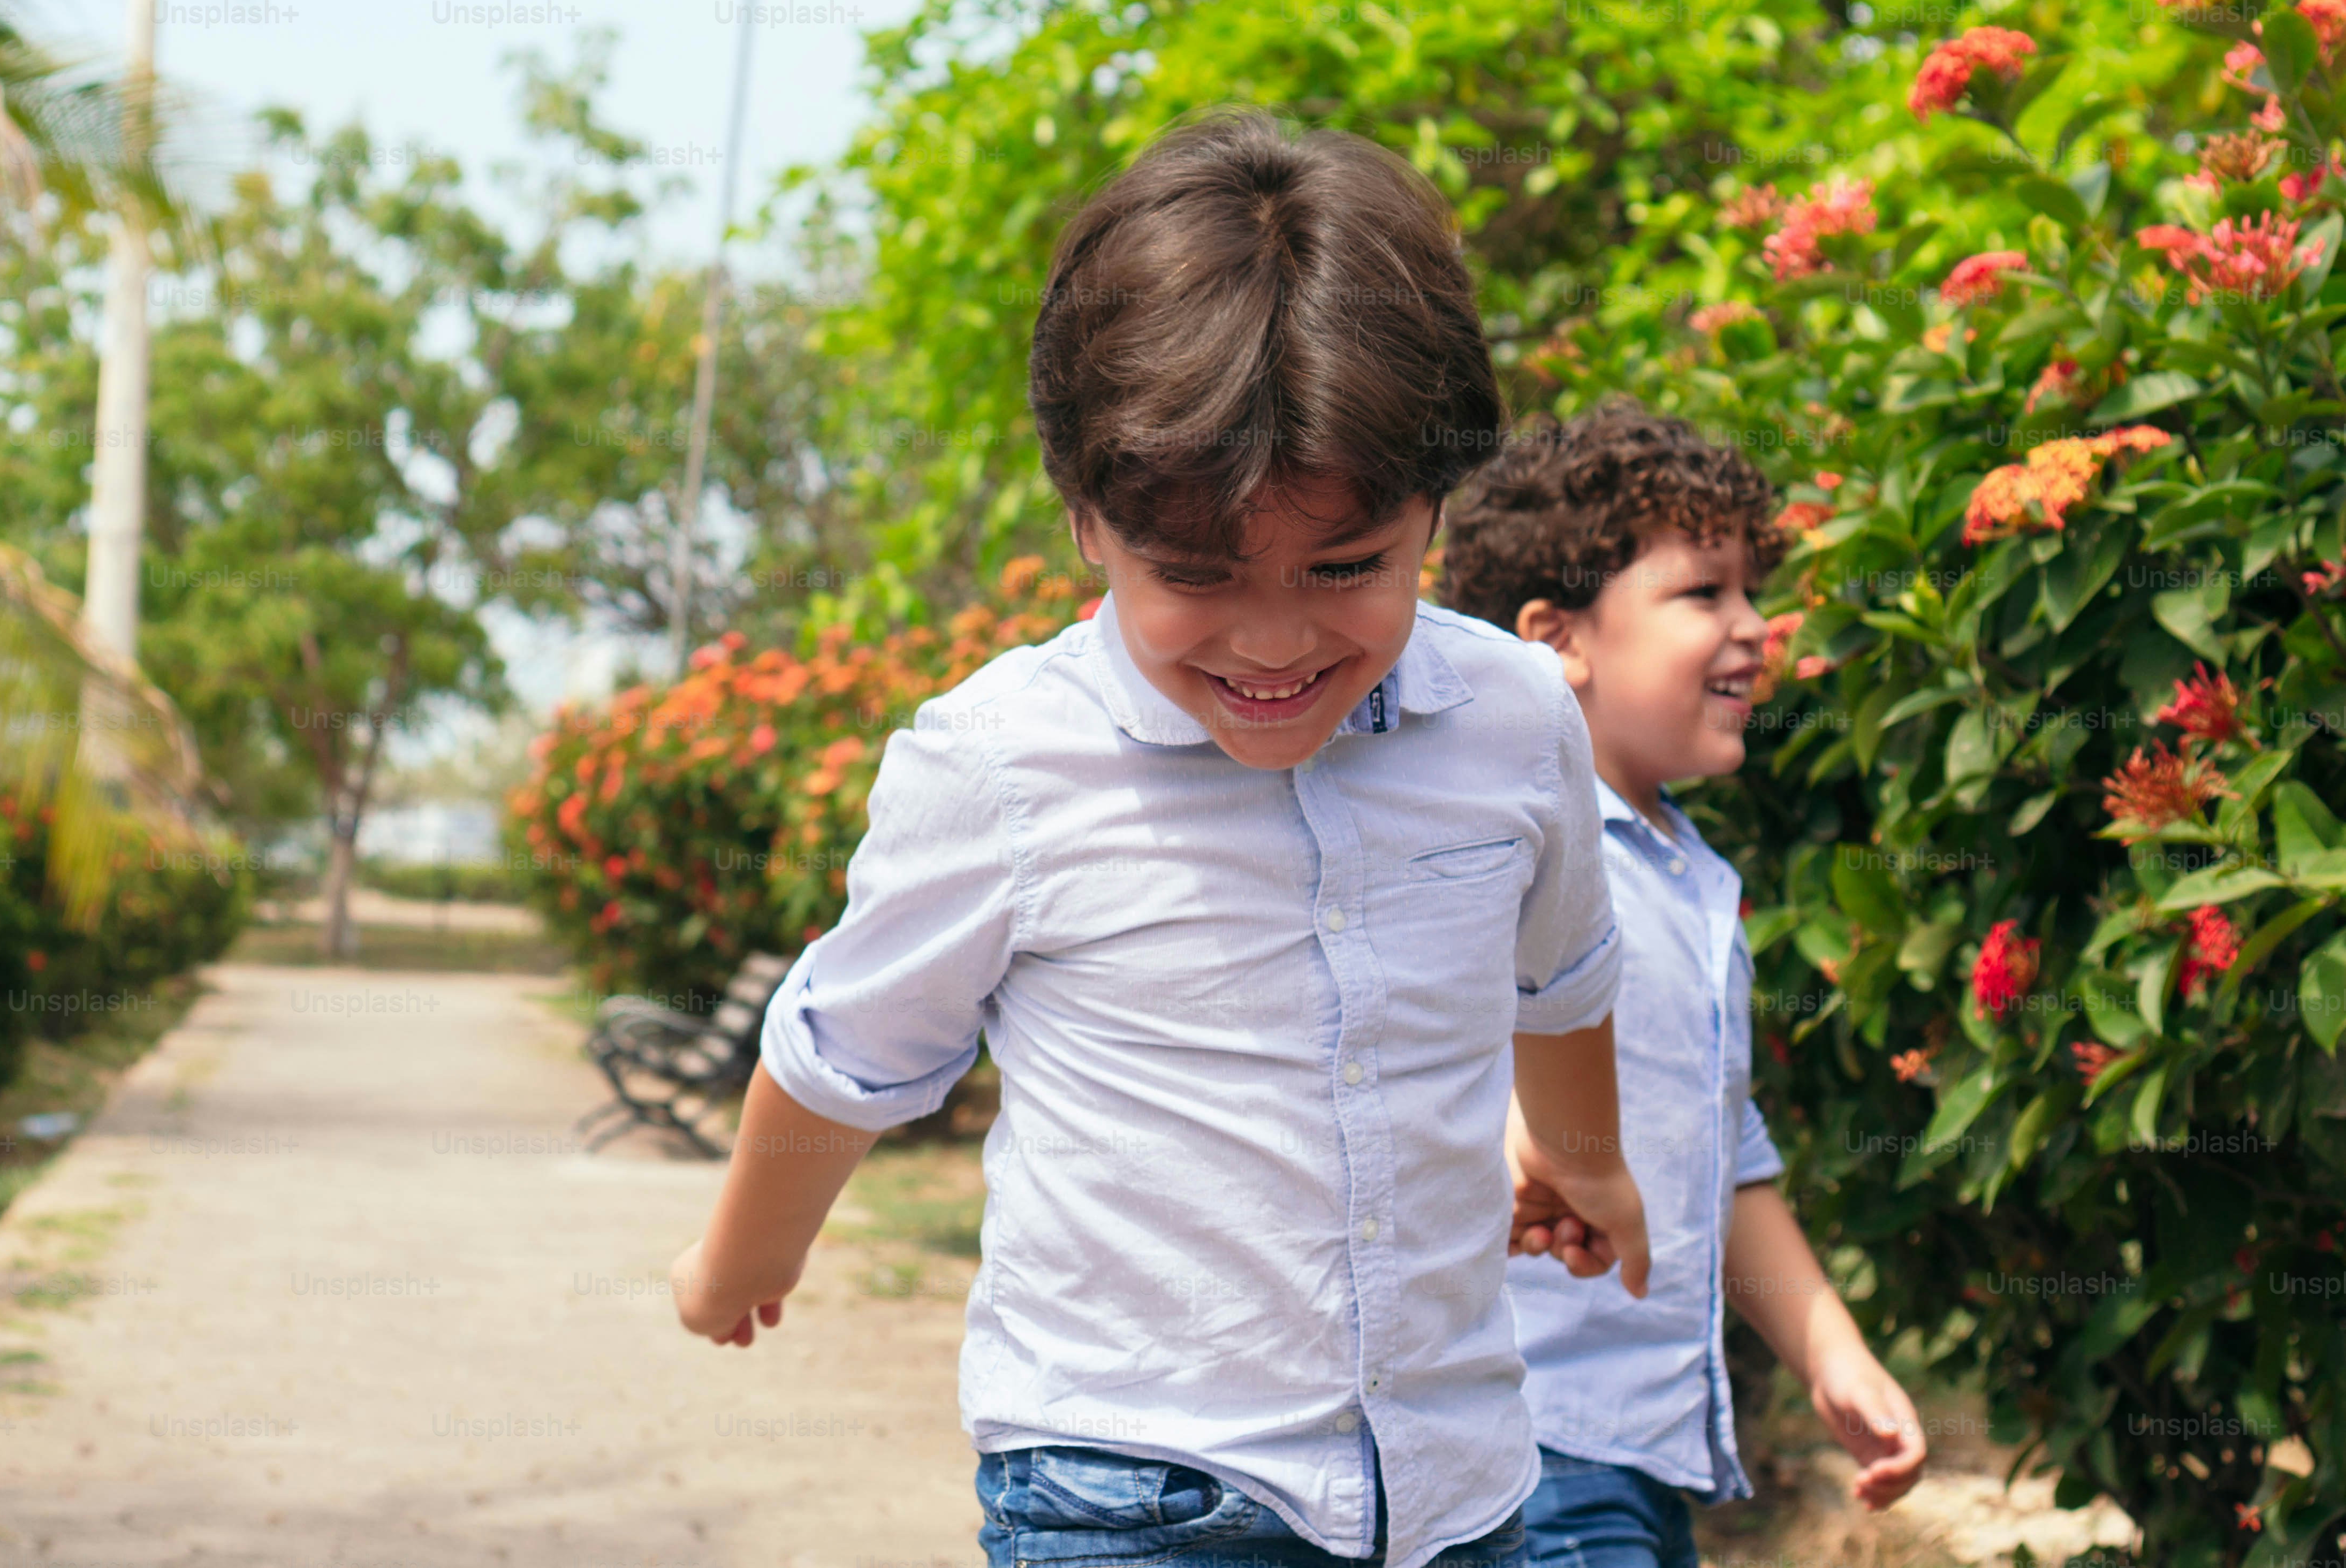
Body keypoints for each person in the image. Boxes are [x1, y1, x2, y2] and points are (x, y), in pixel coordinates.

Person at [666, 109, 1651, 1568]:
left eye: (1346, 566)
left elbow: (1557, 977)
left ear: (1432, 510)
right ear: (1083, 517)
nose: (1272, 638)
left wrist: (1588, 1162)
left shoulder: (1511, 717)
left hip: (1450, 1484)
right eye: (1191, 573)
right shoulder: (1003, 763)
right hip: (1129, 1487)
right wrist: (737, 1259)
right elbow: (844, 1051)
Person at [1438, 402, 1930, 1568]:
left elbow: (1723, 1146)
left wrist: (1829, 1350)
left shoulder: (1690, 877)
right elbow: (1418, 1044)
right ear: (1557, 640)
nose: (1754, 627)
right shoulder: (1493, 846)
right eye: (1702, 594)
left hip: (1646, 1447)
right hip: (1523, 1442)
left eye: (1751, 592)